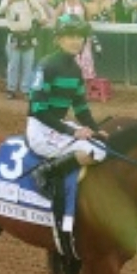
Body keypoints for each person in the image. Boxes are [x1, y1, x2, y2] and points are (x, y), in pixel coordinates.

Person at [25, 15, 109, 191]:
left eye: (79, 37)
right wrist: (73, 131)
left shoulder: (76, 70)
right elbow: (38, 110)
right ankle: (45, 172)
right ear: (58, 39)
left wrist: (95, 129)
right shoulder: (46, 65)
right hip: (41, 129)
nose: (76, 41)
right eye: (71, 36)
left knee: (101, 146)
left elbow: (81, 108)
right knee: (94, 152)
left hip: (57, 127)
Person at [0, 0, 52, 100]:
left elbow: (39, 9)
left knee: (28, 64)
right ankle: (11, 89)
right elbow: (0, 10)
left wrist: (42, 18)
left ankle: (26, 89)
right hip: (14, 34)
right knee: (13, 64)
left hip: (28, 34)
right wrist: (10, 0)